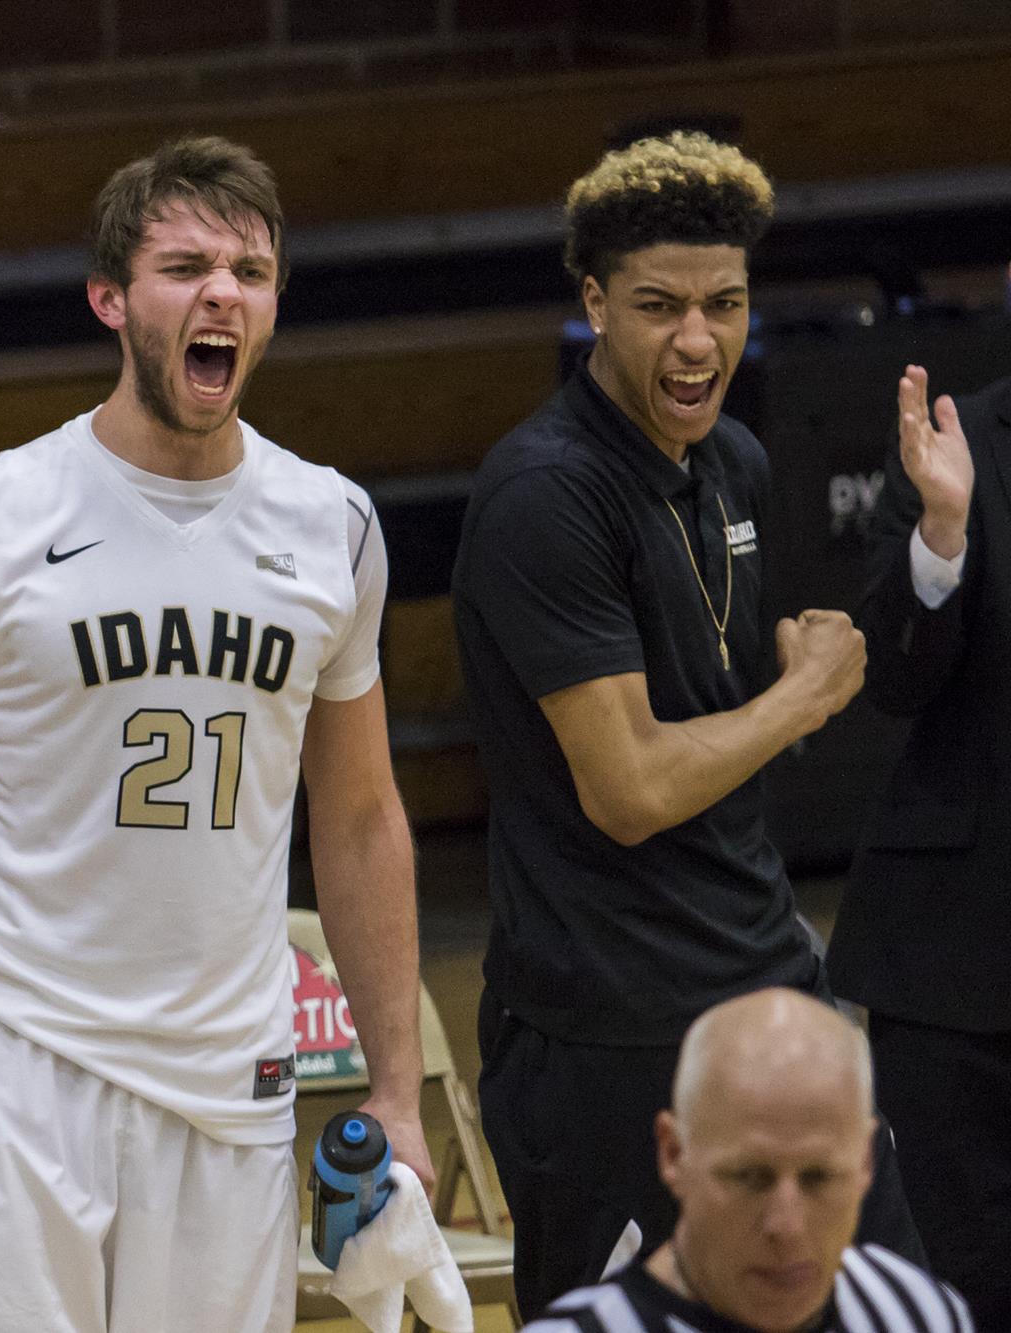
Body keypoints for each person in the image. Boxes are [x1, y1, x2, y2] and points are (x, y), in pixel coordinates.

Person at [0, 135, 430, 1333]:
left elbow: (360, 821)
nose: (222, 294)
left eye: (250, 272)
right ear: (110, 298)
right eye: (185, 266)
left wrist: (400, 1096)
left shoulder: (334, 525)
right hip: (8, 1069)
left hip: (227, 1081)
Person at [449, 131, 922, 1314]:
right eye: (659, 306)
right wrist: (801, 695)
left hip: (763, 973)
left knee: (887, 1298)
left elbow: (720, 700)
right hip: (603, 1025)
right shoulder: (543, 494)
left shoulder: (737, 464)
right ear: (595, 303)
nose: (697, 341)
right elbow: (629, 787)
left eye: (723, 303)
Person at [825, 363, 1011, 1325]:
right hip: (961, 982)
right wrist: (943, 535)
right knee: (959, 1293)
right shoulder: (956, 440)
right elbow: (894, 678)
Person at [525, 989, 972, 1333]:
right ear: (673, 1153)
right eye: (748, 1178)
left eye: (819, 1177)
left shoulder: (919, 1312)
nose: (786, 1226)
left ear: (865, 1163)